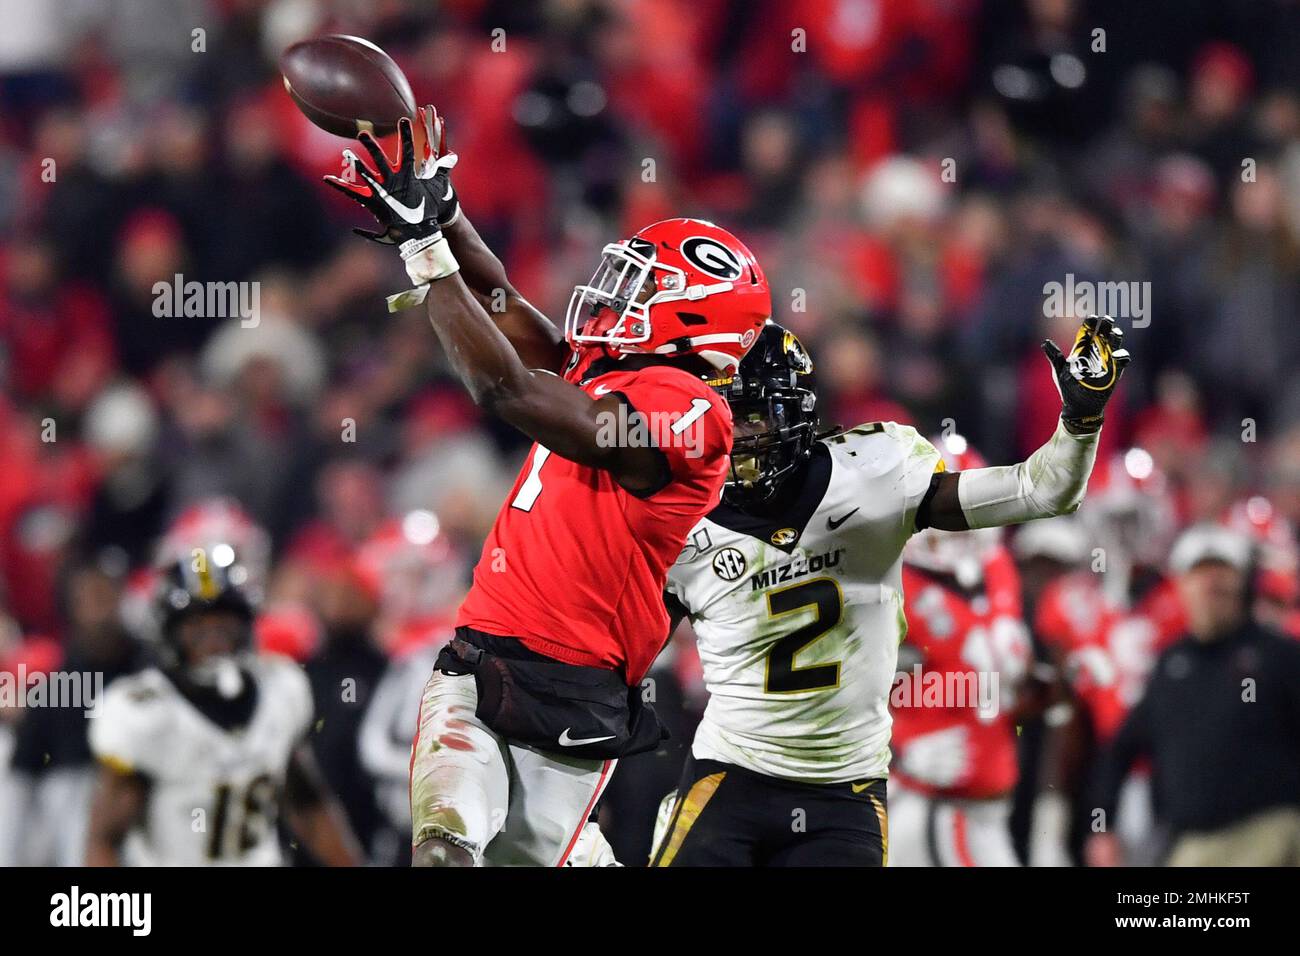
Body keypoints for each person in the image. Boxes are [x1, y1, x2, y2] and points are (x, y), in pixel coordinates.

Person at [325, 109, 769, 866]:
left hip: (571, 691)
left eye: (646, 285)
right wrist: (446, 212)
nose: (616, 294)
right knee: (444, 847)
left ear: (699, 321)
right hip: (479, 660)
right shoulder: (617, 373)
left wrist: (424, 250)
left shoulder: (693, 412)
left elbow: (509, 391)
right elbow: (500, 303)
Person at [652, 316, 1128, 866]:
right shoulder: (681, 522)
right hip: (728, 777)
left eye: (752, 418)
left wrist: (1081, 419)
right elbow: (627, 657)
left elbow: (1040, 491)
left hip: (845, 791)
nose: (736, 439)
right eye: (722, 421)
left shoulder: (873, 474)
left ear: (794, 412)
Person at [86, 555, 362, 866]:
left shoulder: (279, 689)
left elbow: (308, 807)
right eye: (197, 624)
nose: (214, 638)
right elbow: (104, 841)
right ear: (168, 632)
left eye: (223, 621)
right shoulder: (145, 713)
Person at [1087, 524, 1300, 867]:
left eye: (1222, 572)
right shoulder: (1171, 664)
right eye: (1200, 572)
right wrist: (1102, 825)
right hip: (1192, 838)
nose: (1212, 583)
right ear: (1181, 585)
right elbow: (1121, 748)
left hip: (1272, 828)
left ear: (1242, 583)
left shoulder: (1278, 654)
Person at [888, 437, 1032, 866]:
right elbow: (830, 693)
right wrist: (895, 753)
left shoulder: (995, 571)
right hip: (924, 800)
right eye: (947, 503)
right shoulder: (885, 587)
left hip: (986, 804)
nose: (960, 518)